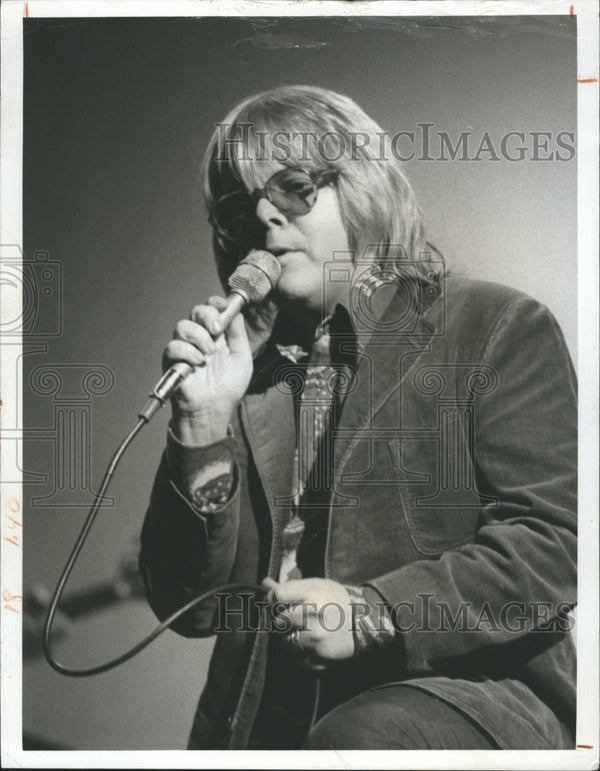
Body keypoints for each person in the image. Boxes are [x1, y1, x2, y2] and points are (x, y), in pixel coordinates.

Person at [139, 85, 577, 751]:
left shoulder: (496, 326)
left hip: (457, 705)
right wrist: (199, 426)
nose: (264, 215)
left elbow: (550, 552)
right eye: (238, 206)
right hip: (265, 726)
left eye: (292, 187)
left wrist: (373, 613)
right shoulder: (237, 378)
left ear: (362, 186)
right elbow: (182, 601)